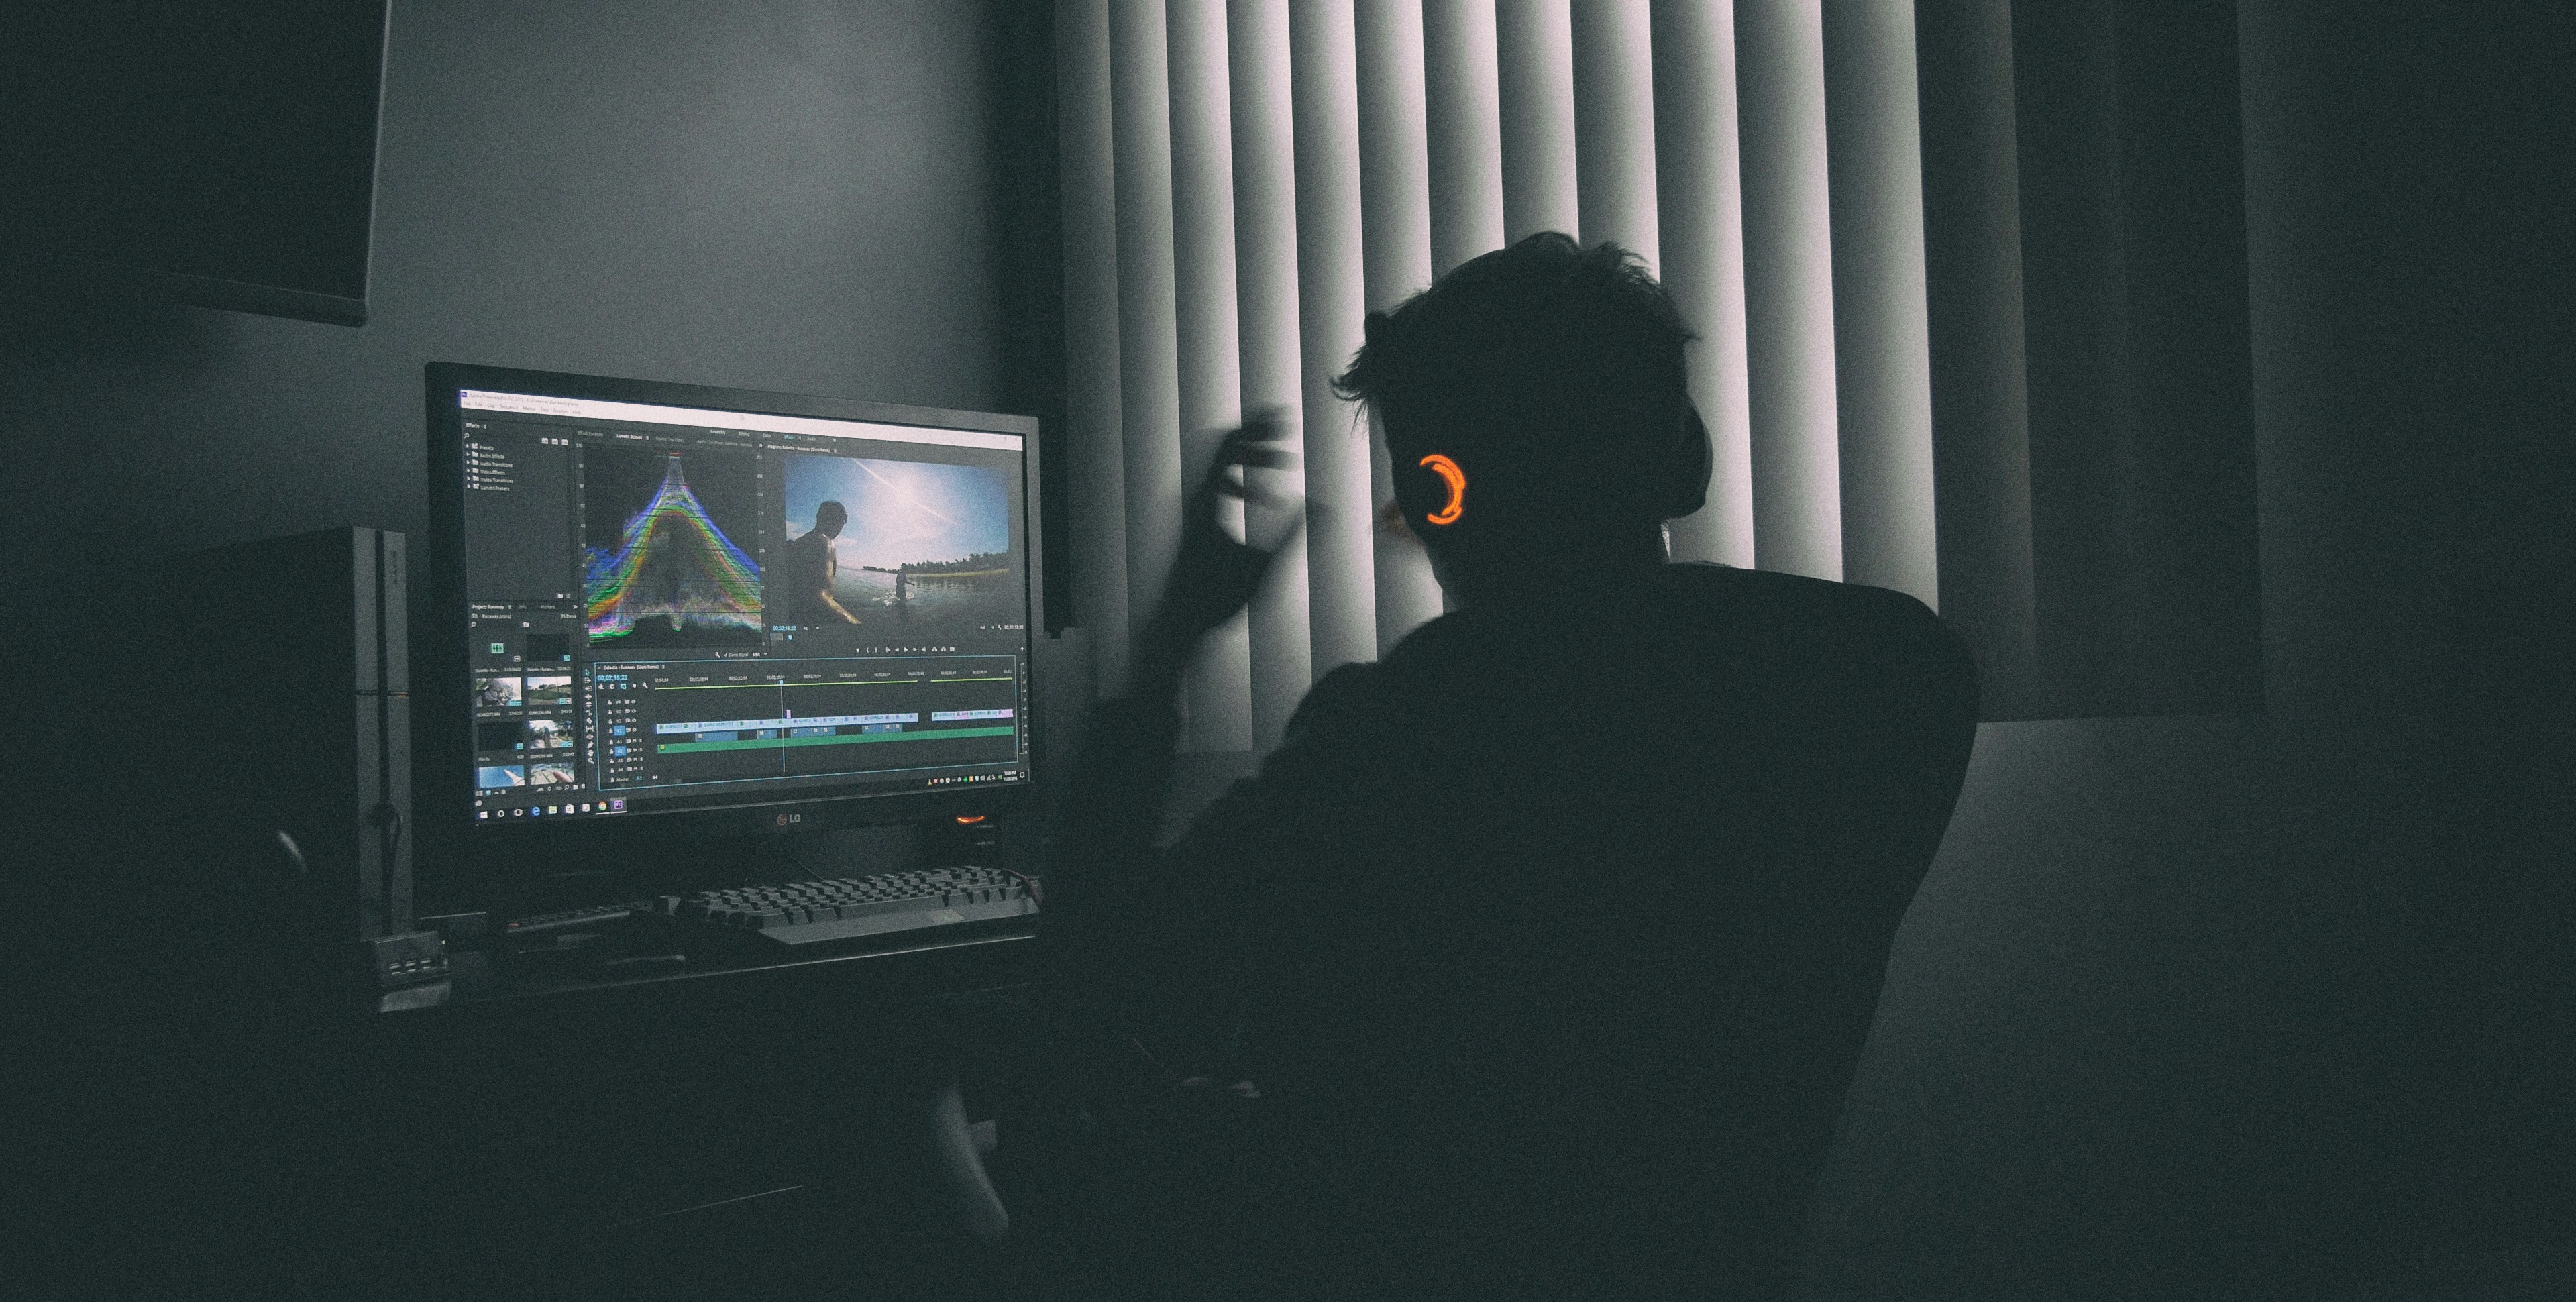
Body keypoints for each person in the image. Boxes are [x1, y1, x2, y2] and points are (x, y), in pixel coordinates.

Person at [989, 233, 1979, 1299]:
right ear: (1686, 459)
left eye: (1418, 487)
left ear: (1432, 493)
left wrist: (1170, 645)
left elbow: (1094, 982)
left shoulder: (1415, 730)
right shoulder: (1892, 672)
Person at [775, 500, 858, 627]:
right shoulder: (824, 541)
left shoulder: (803, 541)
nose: (839, 527)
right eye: (840, 521)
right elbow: (819, 598)